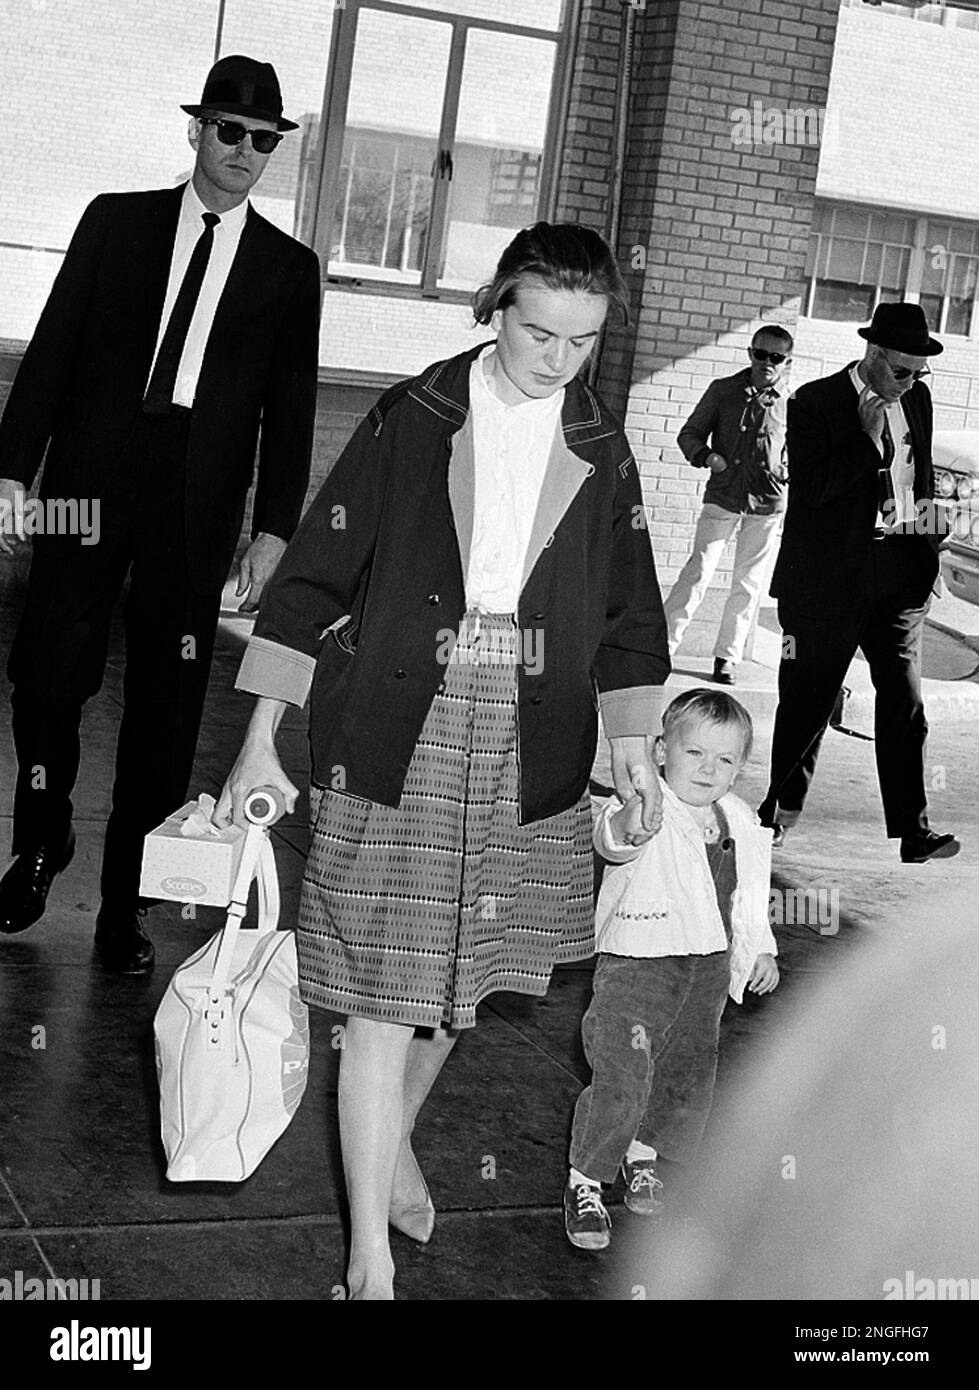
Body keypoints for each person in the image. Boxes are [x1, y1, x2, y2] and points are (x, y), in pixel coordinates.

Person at [214, 222, 671, 1299]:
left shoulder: (602, 446)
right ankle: (367, 1260)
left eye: (583, 340)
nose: (555, 359)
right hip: (399, 716)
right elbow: (315, 574)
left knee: (464, 984)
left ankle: (400, 1139)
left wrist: (635, 751)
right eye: (537, 331)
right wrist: (256, 744)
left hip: (533, 726)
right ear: (496, 306)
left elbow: (627, 614)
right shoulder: (415, 415)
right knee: (383, 990)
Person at [0, 56, 321, 971]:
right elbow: (55, 343)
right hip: (88, 482)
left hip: (198, 495)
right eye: (229, 130)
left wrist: (274, 526)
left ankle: (126, 905)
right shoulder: (117, 222)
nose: (244, 151)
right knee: (49, 673)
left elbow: (289, 405)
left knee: (168, 705)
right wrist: (13, 469)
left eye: (263, 140)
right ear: (196, 131)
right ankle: (39, 840)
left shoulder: (287, 270)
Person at [563, 688, 778, 1250]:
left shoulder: (740, 819)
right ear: (661, 752)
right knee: (623, 1074)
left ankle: (643, 1156)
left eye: (726, 759)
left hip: (706, 967)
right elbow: (611, 841)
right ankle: (585, 1179)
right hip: (640, 958)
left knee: (684, 1070)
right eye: (695, 753)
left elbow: (749, 893)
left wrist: (760, 947)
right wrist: (631, 824)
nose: (709, 769)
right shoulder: (642, 802)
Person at [758, 303, 959, 863]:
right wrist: (867, 440)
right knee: (808, 702)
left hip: (899, 572)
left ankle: (914, 831)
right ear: (872, 355)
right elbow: (815, 489)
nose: (911, 383)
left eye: (919, 373)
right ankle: (774, 817)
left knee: (905, 704)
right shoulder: (814, 402)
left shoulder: (915, 398)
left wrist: (928, 532)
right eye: (901, 371)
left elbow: (915, 475)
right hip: (826, 580)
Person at [665, 325, 792, 685]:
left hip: (767, 505)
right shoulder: (723, 392)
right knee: (698, 572)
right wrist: (707, 457)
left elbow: (800, 451)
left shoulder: (790, 403)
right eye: (761, 354)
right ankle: (662, 646)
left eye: (777, 357)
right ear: (751, 353)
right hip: (723, 496)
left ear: (786, 362)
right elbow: (688, 434)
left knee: (748, 584)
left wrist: (786, 469)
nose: (768, 362)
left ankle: (726, 658)